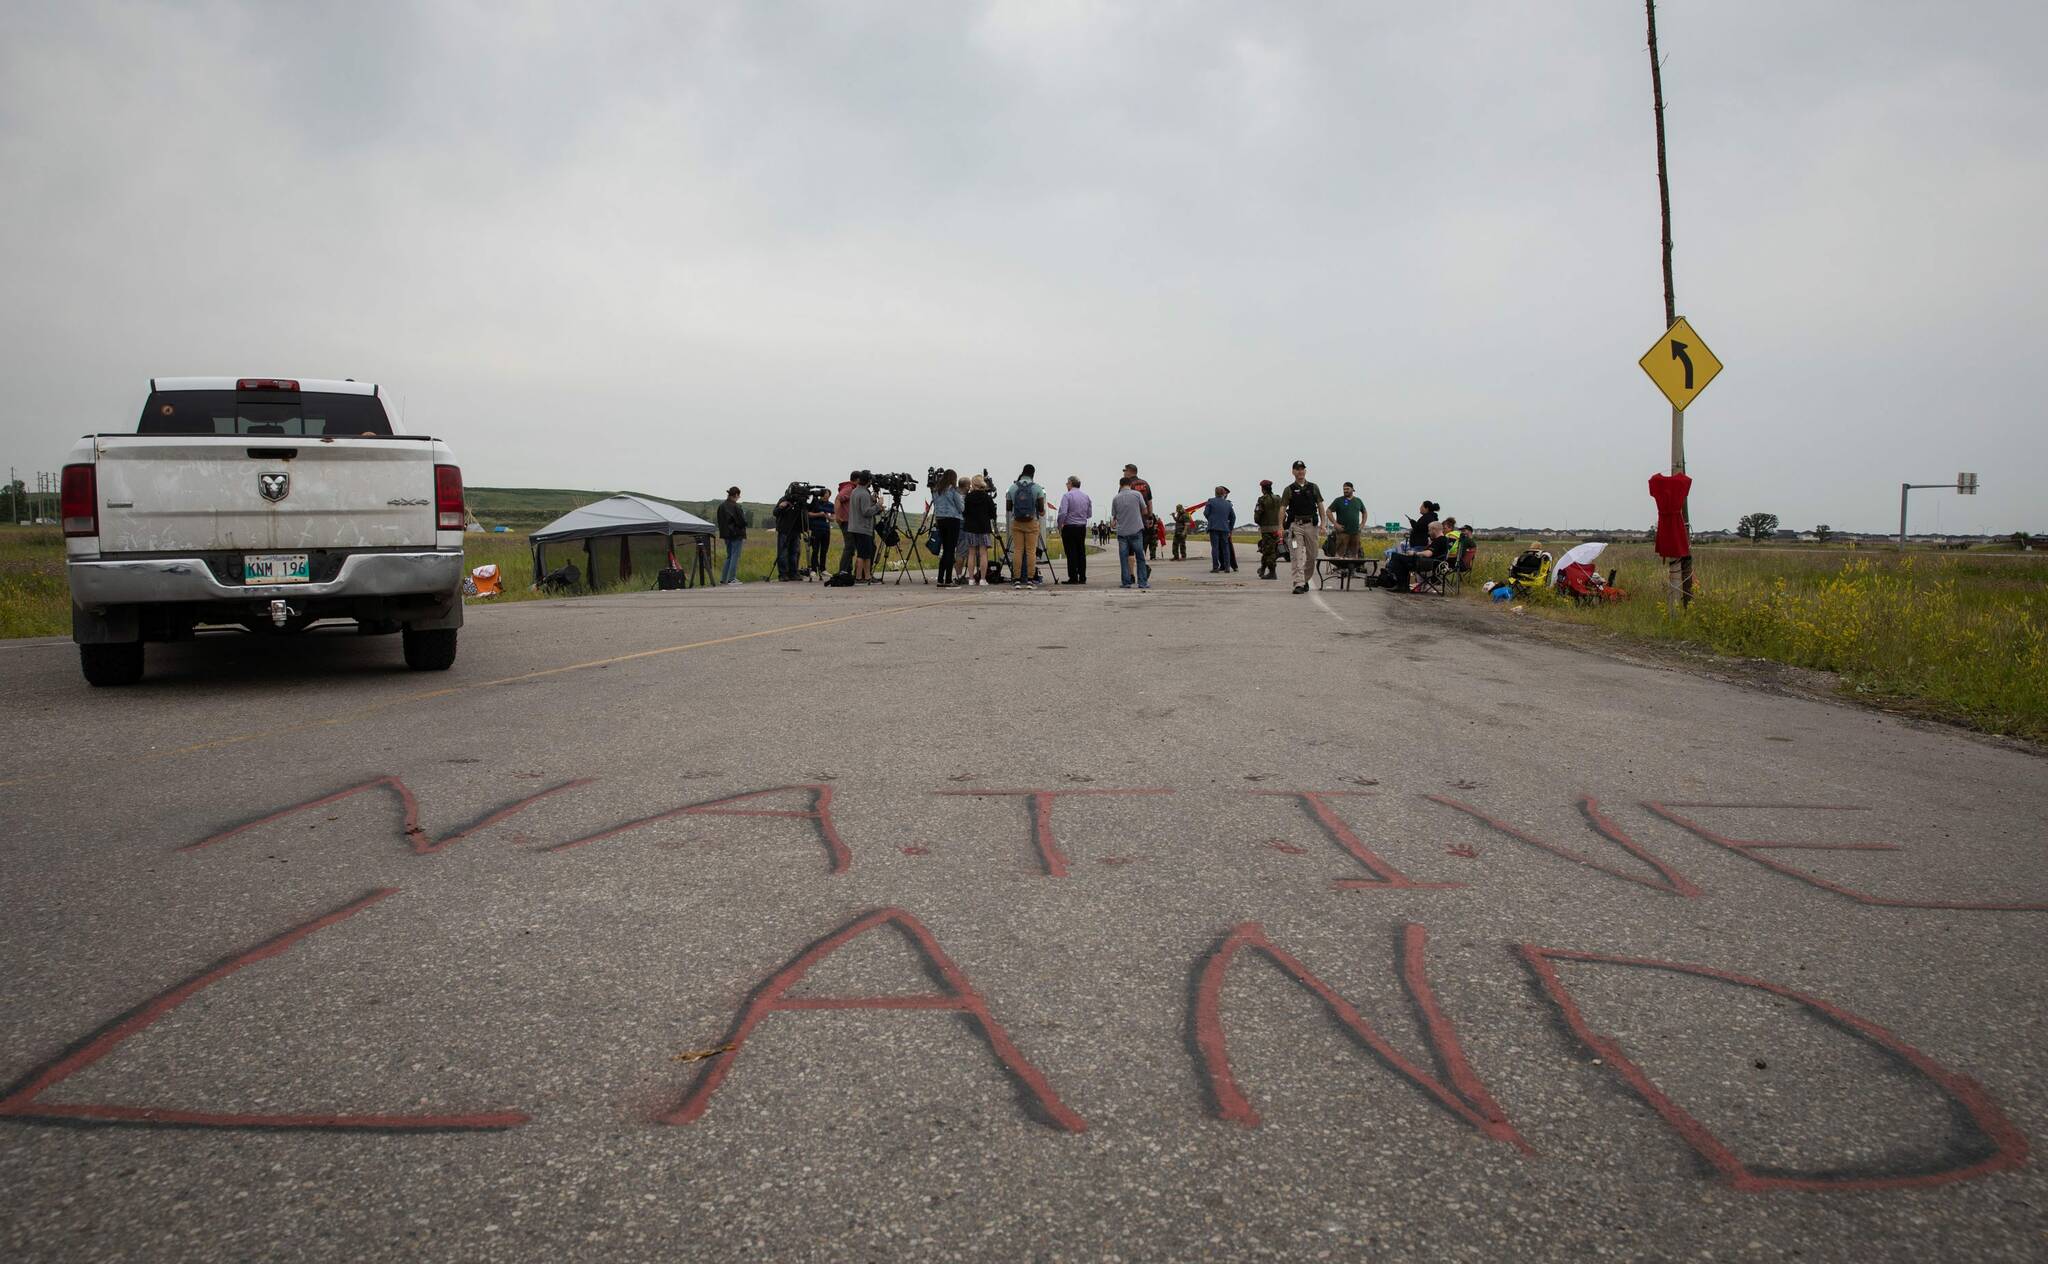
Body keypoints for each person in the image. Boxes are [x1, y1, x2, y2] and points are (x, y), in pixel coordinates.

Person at [1281, 461, 1323, 594]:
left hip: (1311, 526)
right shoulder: (1289, 489)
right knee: (1296, 555)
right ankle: (1298, 583)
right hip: (1295, 527)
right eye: (1297, 469)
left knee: (1312, 556)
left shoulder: (1313, 487)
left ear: (1305, 471)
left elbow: (1321, 505)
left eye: (1302, 469)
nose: (1300, 471)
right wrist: (1280, 526)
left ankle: (1305, 580)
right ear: (1293, 472)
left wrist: (1323, 524)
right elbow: (1282, 508)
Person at [1379, 520, 1451, 591]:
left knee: (1396, 556)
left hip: (1429, 563)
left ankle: (1397, 583)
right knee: (1402, 560)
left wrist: (1414, 553)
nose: (1428, 533)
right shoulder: (1443, 540)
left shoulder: (1440, 540)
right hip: (1432, 562)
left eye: (1429, 531)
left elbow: (1428, 553)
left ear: (1434, 530)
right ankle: (1401, 584)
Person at [1007, 464, 1046, 589]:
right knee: (1031, 551)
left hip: (1017, 522)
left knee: (1018, 550)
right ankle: (1030, 580)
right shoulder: (1037, 488)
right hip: (1031, 522)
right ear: (1033, 474)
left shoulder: (1012, 488)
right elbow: (1041, 510)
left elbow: (1008, 508)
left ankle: (1017, 579)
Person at [1112, 476, 1150, 590]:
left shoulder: (1115, 498)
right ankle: (1142, 582)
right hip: (1136, 531)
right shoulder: (1137, 495)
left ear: (1120, 485)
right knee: (1140, 557)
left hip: (1122, 532)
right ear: (1130, 484)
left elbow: (1114, 517)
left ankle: (1126, 582)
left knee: (1124, 558)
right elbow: (1145, 510)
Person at [961, 474, 997, 587]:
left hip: (970, 528)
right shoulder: (987, 497)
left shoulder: (968, 497)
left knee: (971, 554)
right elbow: (993, 514)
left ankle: (971, 579)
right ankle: (982, 579)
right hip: (984, 528)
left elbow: (964, 512)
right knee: (983, 554)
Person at [931, 469, 965, 586]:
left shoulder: (936, 490)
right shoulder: (953, 490)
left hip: (941, 520)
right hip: (953, 519)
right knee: (950, 550)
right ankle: (949, 579)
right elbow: (961, 508)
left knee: (945, 549)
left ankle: (940, 578)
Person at [1056, 475, 1092, 584]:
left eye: (1067, 483)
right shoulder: (1086, 497)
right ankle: (1082, 577)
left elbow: (1063, 512)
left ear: (1071, 484)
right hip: (1081, 528)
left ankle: (1073, 577)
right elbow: (1089, 514)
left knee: (1071, 553)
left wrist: (1060, 524)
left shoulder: (1067, 496)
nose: (1066, 485)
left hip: (1069, 527)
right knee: (1081, 552)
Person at [844, 471, 878, 583]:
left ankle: (864, 576)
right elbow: (866, 512)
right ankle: (861, 577)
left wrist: (871, 500)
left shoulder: (855, 491)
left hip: (854, 526)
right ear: (868, 481)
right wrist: (878, 506)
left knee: (863, 553)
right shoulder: (864, 493)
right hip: (863, 528)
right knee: (864, 554)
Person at [716, 486, 748, 585]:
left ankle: (723, 579)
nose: (739, 497)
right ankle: (732, 578)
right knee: (735, 556)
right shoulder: (736, 507)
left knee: (729, 556)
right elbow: (742, 522)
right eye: (739, 495)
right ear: (736, 495)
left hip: (726, 535)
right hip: (736, 534)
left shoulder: (721, 506)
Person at [1253, 479, 1283, 580]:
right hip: (1277, 528)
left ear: (1262, 489)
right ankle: (1263, 568)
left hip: (1266, 529)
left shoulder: (1262, 500)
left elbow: (1257, 516)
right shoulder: (1278, 499)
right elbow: (1284, 513)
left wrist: (1259, 521)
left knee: (1268, 551)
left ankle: (1272, 572)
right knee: (1270, 550)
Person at [772, 486, 804, 580]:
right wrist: (782, 507)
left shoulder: (800, 502)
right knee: (783, 552)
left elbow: (807, 511)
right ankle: (783, 574)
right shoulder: (784, 500)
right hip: (784, 530)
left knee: (795, 552)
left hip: (796, 530)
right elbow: (775, 512)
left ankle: (793, 573)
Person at [1327, 482, 1366, 559]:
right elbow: (1328, 511)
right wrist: (1335, 524)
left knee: (1354, 555)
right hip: (1342, 532)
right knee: (1339, 555)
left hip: (1355, 532)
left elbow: (1364, 512)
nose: (1345, 491)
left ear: (1352, 489)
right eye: (1344, 489)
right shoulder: (1338, 500)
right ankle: (1339, 569)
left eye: (1347, 489)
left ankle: (1352, 569)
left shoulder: (1358, 501)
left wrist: (1362, 524)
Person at [1203, 486, 1236, 572]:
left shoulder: (1210, 501)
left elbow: (1206, 513)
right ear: (1224, 494)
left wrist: (1211, 520)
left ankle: (1215, 567)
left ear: (1215, 493)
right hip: (1225, 529)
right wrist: (1230, 528)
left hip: (1214, 528)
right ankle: (1227, 567)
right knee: (1226, 548)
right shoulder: (1228, 504)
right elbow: (1233, 517)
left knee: (1215, 548)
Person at [805, 488, 832, 575]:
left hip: (826, 529)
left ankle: (823, 569)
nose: (826, 497)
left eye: (828, 496)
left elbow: (834, 517)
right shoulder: (815, 503)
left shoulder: (831, 505)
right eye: (825, 496)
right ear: (821, 495)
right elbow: (809, 514)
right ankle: (813, 569)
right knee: (815, 550)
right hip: (816, 529)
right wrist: (819, 514)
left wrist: (828, 517)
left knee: (824, 550)